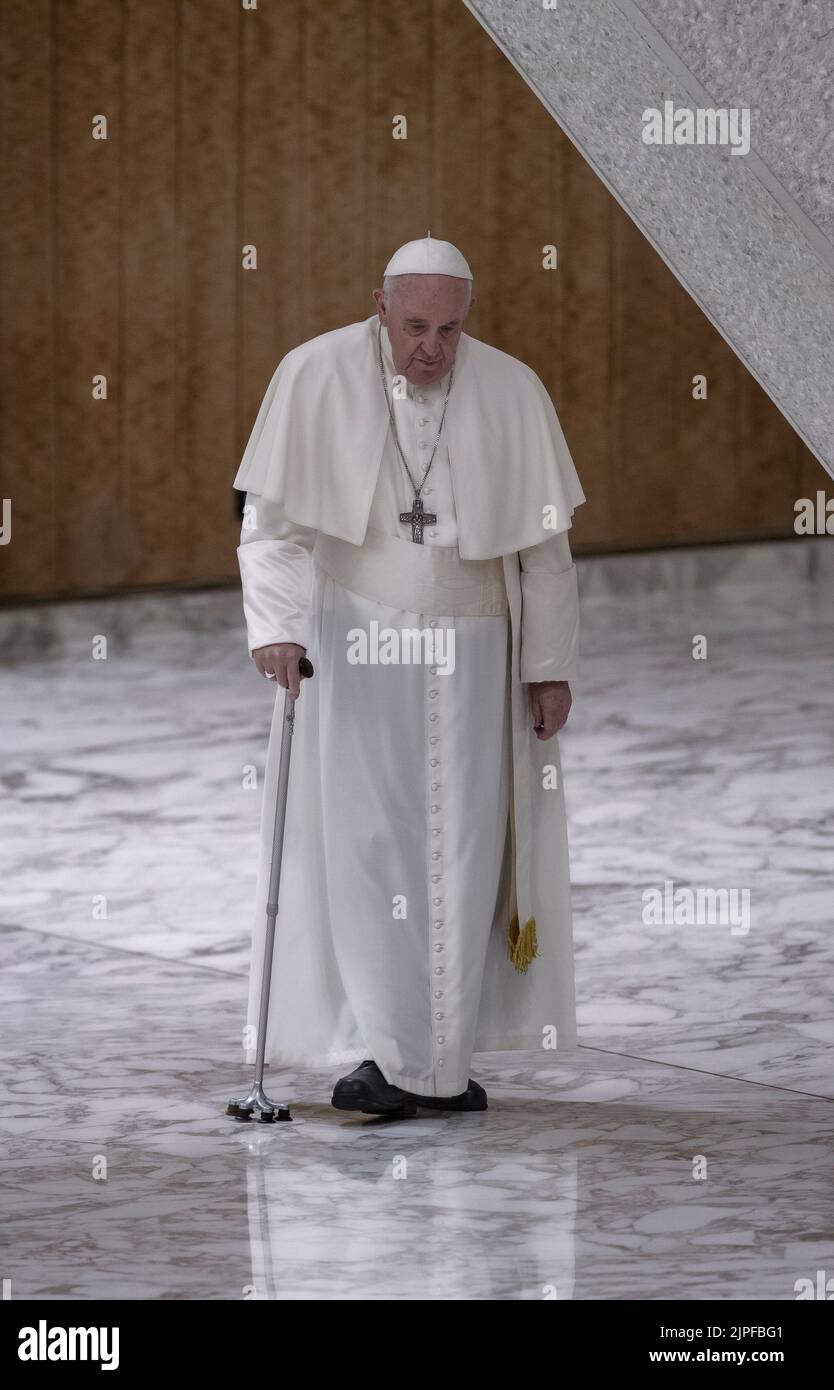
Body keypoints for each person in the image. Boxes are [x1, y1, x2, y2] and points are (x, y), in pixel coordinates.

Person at [234, 235, 585, 1117]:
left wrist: (547, 668)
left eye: (450, 330)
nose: (432, 348)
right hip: (359, 640)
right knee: (368, 842)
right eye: (416, 325)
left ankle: (437, 1062)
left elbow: (546, 549)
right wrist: (276, 630)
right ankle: (392, 1052)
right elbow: (272, 526)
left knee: (465, 849)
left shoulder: (512, 388)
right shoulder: (314, 375)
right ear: (381, 305)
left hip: (477, 652)